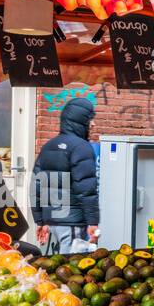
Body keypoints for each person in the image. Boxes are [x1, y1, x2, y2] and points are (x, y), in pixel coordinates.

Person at [31, 96, 99, 253]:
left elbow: (36, 185)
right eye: (90, 119)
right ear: (80, 121)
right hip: (72, 222)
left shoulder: (49, 145)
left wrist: (40, 220)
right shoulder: (81, 147)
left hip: (52, 222)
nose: (93, 124)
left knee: (55, 265)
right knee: (71, 269)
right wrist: (93, 222)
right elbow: (86, 190)